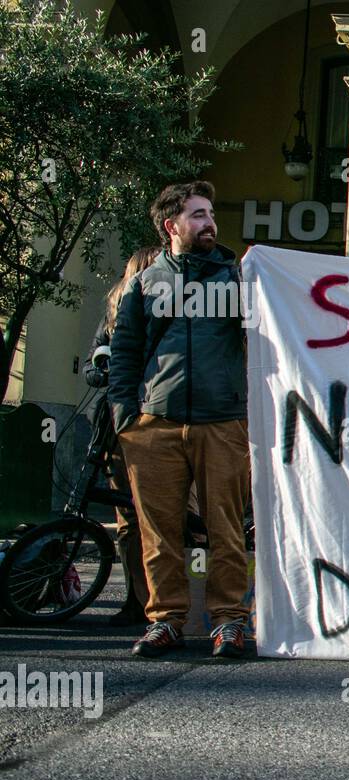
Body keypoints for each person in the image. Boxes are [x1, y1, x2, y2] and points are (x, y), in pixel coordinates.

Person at [108, 181, 252, 659]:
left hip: (222, 421)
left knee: (225, 528)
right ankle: (165, 620)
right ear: (171, 226)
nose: (208, 222)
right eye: (196, 215)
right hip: (154, 425)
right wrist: (127, 418)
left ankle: (230, 620)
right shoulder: (145, 282)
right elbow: (124, 353)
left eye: (210, 213)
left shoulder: (237, 280)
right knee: (159, 529)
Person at [83, 246, 161, 626]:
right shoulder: (116, 308)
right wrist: (100, 370)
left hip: (151, 420)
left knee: (155, 515)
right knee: (130, 516)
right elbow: (92, 363)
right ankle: (138, 598)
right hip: (120, 423)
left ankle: (157, 600)